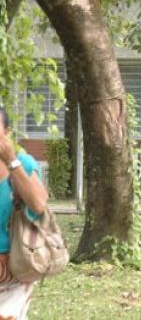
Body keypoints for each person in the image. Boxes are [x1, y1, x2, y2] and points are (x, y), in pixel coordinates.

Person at [0, 107, 48, 318]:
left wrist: (11, 161)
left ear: (7, 132)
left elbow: (38, 204)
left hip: (16, 266)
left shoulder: (23, 163)